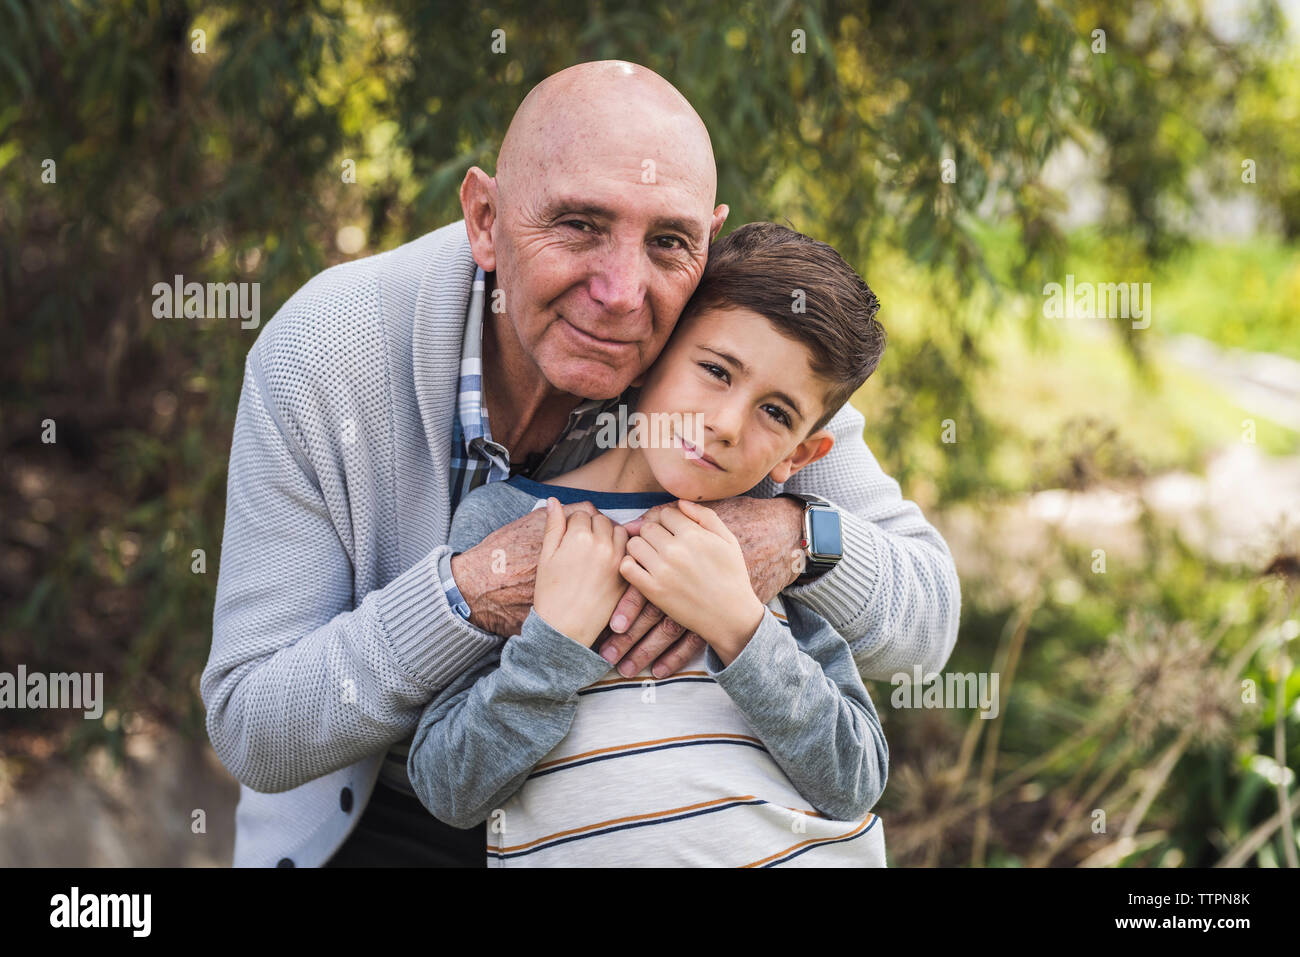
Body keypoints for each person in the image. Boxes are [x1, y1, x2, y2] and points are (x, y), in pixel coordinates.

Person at [201, 59, 961, 868]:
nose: (622, 291)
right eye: (578, 225)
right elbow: (255, 726)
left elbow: (926, 626)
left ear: (706, 242)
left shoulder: (729, 348)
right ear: (485, 218)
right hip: (392, 807)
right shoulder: (326, 354)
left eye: (669, 240)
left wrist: (797, 533)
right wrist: (471, 594)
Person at [406, 222, 891, 866]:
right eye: (715, 370)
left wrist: (740, 626)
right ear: (650, 360)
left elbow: (855, 779)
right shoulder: (509, 526)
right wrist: (552, 648)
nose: (723, 424)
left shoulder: (768, 545)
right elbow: (448, 789)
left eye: (775, 412)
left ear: (799, 454)